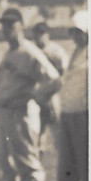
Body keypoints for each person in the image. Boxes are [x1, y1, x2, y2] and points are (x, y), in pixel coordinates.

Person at [0, 7, 59, 181]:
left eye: (11, 25)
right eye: (4, 25)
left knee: (28, 160)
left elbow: (54, 79)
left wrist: (34, 97)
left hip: (21, 113)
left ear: (20, 26)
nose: (6, 29)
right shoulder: (9, 52)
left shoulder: (29, 51)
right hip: (5, 113)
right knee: (5, 160)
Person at [55, 10, 88, 181]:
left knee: (86, 167)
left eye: (79, 32)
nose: (75, 36)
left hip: (84, 115)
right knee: (66, 167)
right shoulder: (76, 52)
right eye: (73, 32)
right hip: (67, 114)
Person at [29, 19, 68, 162]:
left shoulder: (56, 51)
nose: (39, 37)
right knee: (37, 132)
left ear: (47, 34)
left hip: (52, 96)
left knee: (57, 131)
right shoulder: (32, 51)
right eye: (36, 34)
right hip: (36, 96)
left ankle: (65, 161)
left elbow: (63, 75)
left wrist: (51, 92)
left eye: (41, 34)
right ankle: (36, 161)